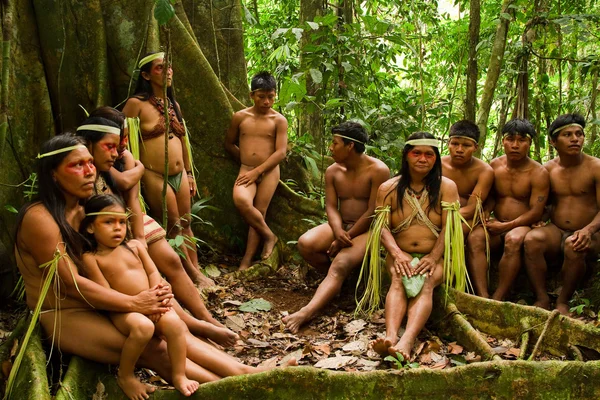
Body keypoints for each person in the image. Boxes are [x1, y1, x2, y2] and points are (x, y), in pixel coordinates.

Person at [13, 135, 296, 397]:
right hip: (66, 313)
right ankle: (236, 389)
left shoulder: (87, 206)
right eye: (77, 165)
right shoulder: (40, 218)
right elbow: (71, 284)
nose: (89, 171)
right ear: (53, 173)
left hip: (106, 302)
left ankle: (249, 373)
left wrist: (149, 292)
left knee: (173, 325)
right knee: (153, 346)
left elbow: (130, 230)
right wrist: (135, 303)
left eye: (89, 162)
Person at [76, 114, 238, 347]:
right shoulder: (85, 170)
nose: (117, 150)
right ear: (89, 144)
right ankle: (192, 328)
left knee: (171, 261)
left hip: (131, 221)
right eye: (110, 145)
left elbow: (131, 198)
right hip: (107, 233)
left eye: (120, 142)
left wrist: (139, 237)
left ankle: (206, 318)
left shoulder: (118, 160)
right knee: (148, 278)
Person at [80, 194, 199, 398]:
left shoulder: (135, 246)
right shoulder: (91, 258)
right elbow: (105, 293)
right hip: (123, 310)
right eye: (108, 222)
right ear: (90, 227)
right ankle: (125, 376)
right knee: (143, 327)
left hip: (152, 304)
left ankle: (179, 376)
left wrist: (155, 297)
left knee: (176, 325)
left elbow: (153, 273)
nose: (118, 228)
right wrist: (139, 306)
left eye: (122, 222)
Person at [283, 122, 390, 333]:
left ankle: (307, 311)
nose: (330, 147)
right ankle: (337, 284)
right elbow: (331, 206)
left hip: (367, 230)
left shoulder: (378, 170)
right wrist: (338, 230)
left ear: (350, 146)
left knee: (340, 262)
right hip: (341, 226)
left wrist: (346, 235)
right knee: (306, 243)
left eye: (335, 143)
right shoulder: (333, 171)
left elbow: (373, 211)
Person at [368, 132, 460, 360]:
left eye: (429, 154)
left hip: (437, 256)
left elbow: (451, 229)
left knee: (426, 282)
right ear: (406, 156)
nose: (422, 159)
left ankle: (407, 340)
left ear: (436, 159)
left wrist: (433, 256)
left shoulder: (447, 187)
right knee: (399, 279)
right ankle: (390, 337)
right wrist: (398, 254)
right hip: (401, 253)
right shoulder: (387, 188)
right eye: (416, 153)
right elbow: (381, 228)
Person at [122, 52, 204, 285]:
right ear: (146, 75)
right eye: (160, 68)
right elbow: (124, 141)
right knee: (173, 225)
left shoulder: (173, 104)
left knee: (187, 224)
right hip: (154, 174)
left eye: (169, 67)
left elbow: (183, 142)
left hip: (180, 175)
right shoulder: (135, 105)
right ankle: (190, 275)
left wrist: (189, 173)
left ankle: (196, 269)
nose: (167, 71)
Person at [524, 113, 600, 314]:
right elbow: (546, 204)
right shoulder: (547, 170)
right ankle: (541, 298)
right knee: (532, 240)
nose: (575, 139)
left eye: (579, 134)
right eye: (567, 135)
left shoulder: (595, 167)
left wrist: (588, 230)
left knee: (573, 244)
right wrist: (540, 220)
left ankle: (563, 301)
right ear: (553, 141)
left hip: (592, 232)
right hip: (557, 228)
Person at [467, 119, 549, 300]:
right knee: (475, 238)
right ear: (503, 140)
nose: (515, 145)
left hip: (522, 225)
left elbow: (536, 212)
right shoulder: (495, 166)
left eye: (522, 140)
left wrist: (507, 226)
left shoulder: (539, 172)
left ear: (529, 143)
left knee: (513, 239)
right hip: (497, 223)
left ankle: (498, 297)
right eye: (510, 139)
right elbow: (492, 197)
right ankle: (482, 295)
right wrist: (487, 212)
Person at [224, 71, 288, 270]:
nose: (267, 101)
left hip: (269, 171)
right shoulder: (240, 117)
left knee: (260, 211)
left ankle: (246, 261)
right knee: (242, 200)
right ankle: (270, 236)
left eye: (271, 96)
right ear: (252, 95)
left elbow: (280, 153)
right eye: (261, 96)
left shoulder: (279, 120)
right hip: (247, 169)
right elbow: (228, 143)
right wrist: (245, 163)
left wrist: (258, 170)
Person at [441, 120, 494, 234]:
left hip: (466, 219)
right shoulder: (437, 165)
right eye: (455, 144)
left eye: (466, 145)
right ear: (448, 143)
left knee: (458, 231)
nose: (459, 150)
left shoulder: (484, 171)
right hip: (436, 216)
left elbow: (472, 209)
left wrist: (444, 219)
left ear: (475, 147)